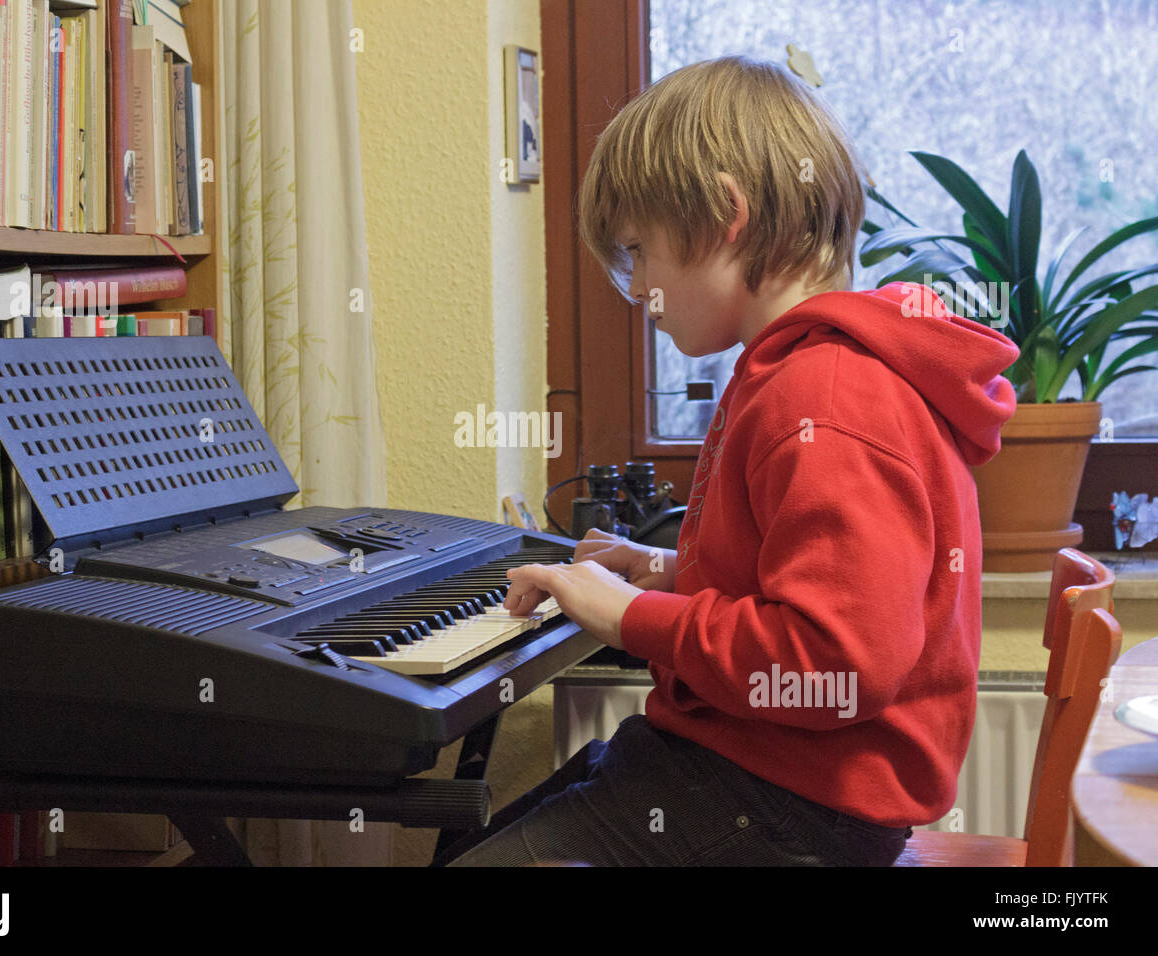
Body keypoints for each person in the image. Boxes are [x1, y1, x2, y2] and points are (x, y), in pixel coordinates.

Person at [433, 55, 1019, 866]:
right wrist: (668, 569)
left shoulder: (826, 393)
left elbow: (835, 664)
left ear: (725, 214)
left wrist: (628, 617)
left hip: (780, 811)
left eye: (639, 250)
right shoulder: (797, 372)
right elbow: (795, 575)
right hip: (746, 782)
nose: (636, 288)